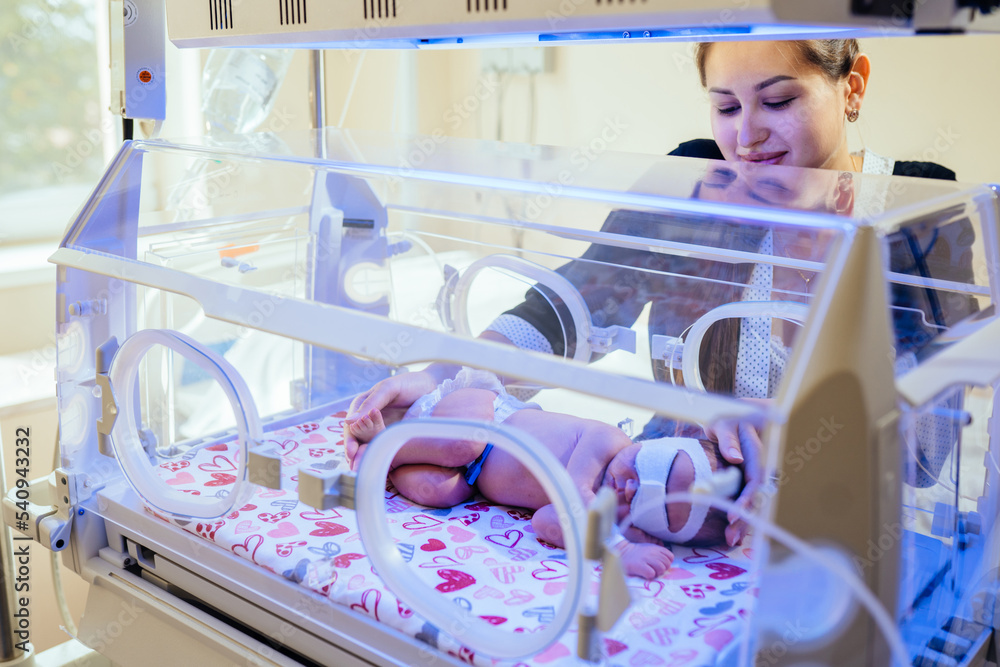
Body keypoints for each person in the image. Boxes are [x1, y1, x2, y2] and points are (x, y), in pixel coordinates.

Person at [346, 39, 978, 545]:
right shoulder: (694, 184)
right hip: (665, 484)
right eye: (727, 107)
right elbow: (576, 302)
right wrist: (448, 379)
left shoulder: (917, 214)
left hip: (829, 520)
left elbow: (927, 452)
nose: (748, 139)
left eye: (778, 100)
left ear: (853, 86)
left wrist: (792, 441)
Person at [344, 368, 744, 580]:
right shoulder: (607, 441)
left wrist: (620, 532)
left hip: (474, 478)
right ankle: (387, 442)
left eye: (646, 504)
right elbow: (570, 498)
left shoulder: (607, 513)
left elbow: (546, 522)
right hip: (485, 417)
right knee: (463, 443)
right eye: (649, 467)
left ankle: (392, 461)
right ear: (658, 443)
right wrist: (620, 549)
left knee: (441, 491)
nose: (629, 486)